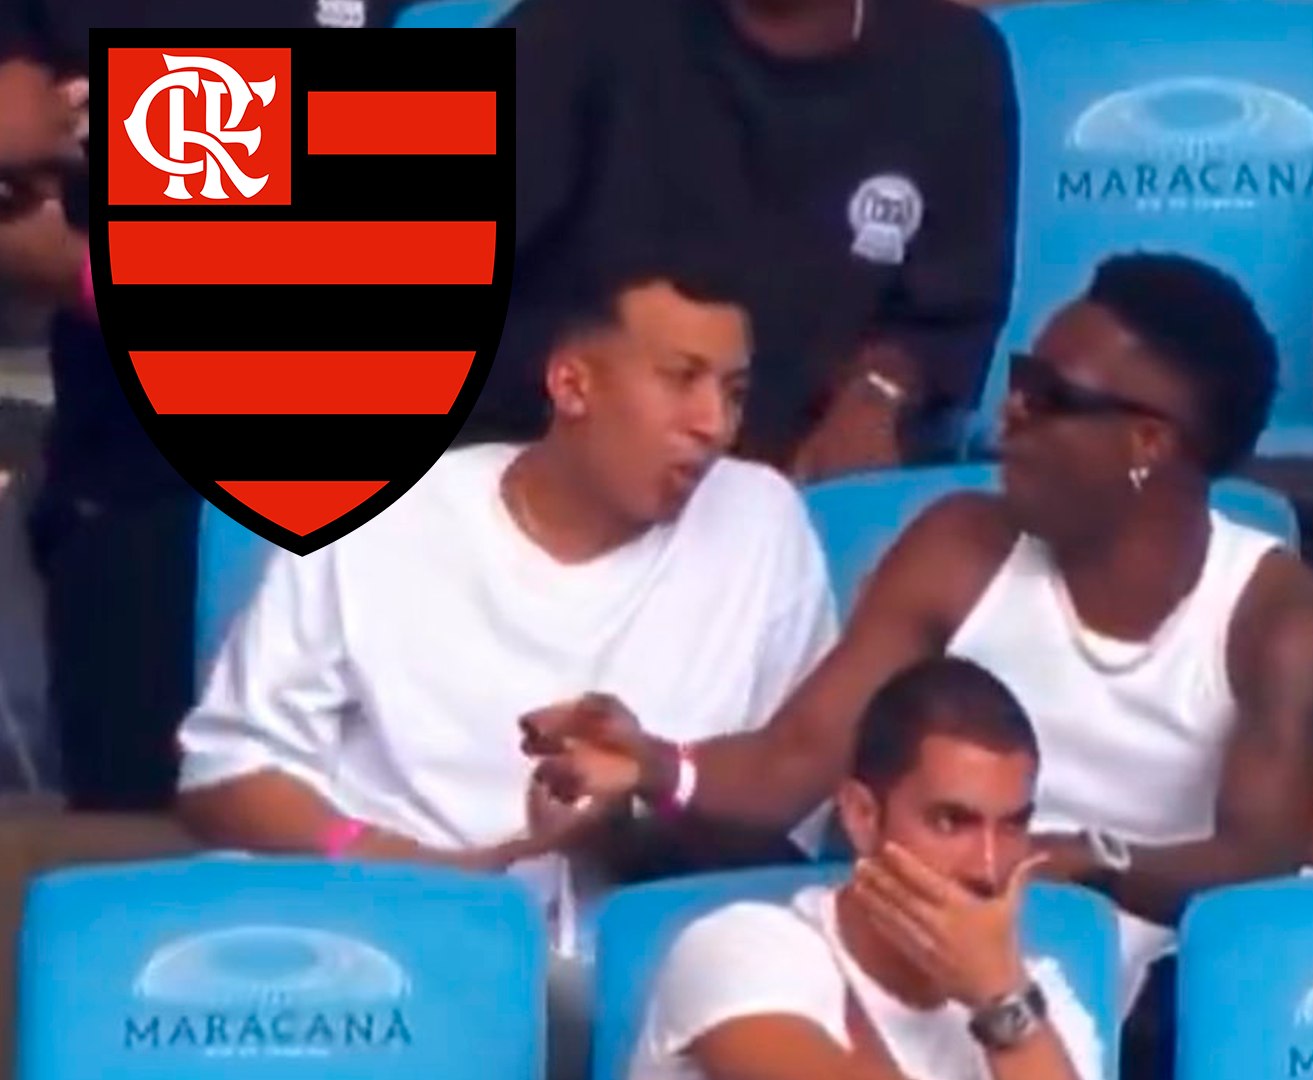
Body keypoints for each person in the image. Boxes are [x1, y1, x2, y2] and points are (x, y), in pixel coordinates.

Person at [523, 253, 1313, 1080]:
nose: (1008, 410)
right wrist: (654, 763)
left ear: (1147, 444)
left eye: (1049, 395)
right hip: (924, 939)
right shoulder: (960, 544)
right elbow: (795, 760)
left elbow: (1256, 863)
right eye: (1020, 376)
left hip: (1125, 969)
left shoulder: (1280, 615)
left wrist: (1080, 864)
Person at [173, 259, 837, 1080]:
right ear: (572, 384)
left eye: (735, 393)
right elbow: (225, 772)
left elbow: (783, 838)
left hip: (647, 989)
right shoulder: (383, 514)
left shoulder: (761, 521)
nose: (714, 424)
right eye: (682, 380)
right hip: (396, 957)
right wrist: (389, 859)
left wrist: (629, 823)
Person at [0, 0, 405, 813]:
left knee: (370, 862)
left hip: (390, 497)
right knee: (136, 849)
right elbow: (14, 155)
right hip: (135, 490)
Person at [483, 0, 1018, 481]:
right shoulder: (576, 31)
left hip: (797, 495)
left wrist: (876, 395)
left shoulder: (954, 64)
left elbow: (948, 313)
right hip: (546, 474)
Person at [630, 657, 1101, 1080]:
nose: (988, 868)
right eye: (950, 822)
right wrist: (1003, 1008)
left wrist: (1000, 995)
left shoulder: (1042, 1005)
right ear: (862, 816)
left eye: (1012, 826)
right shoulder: (740, 949)